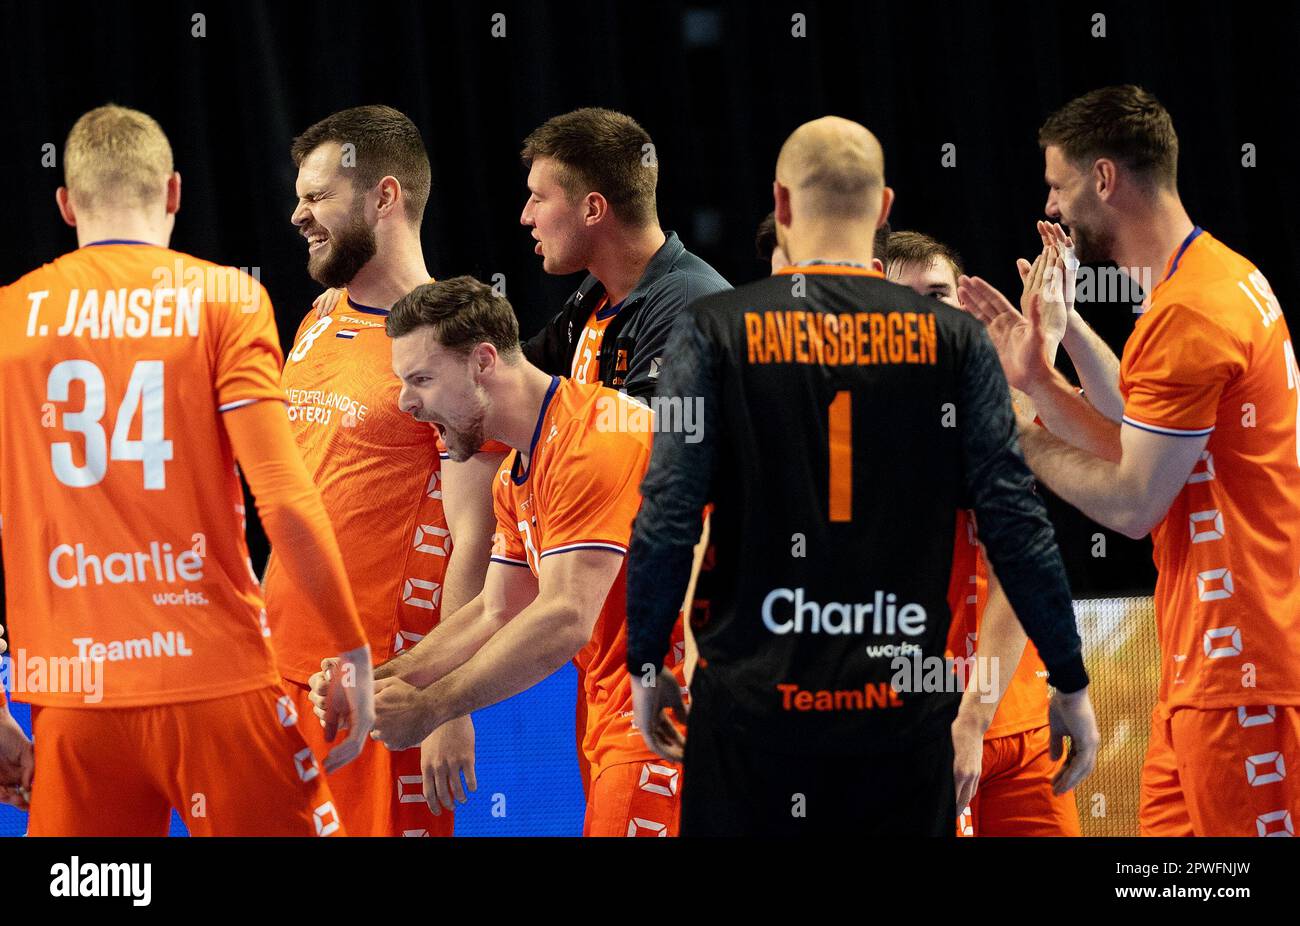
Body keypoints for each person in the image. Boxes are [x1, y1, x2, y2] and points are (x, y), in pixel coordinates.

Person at [625, 115, 1099, 836]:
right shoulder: (956, 340)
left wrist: (647, 661)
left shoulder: (711, 329)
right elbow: (1016, 525)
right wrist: (1068, 676)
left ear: (781, 205)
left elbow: (668, 514)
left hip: (753, 712)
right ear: (883, 210)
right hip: (898, 718)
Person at [0, 104, 371, 835]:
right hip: (217, 683)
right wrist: (350, 649)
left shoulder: (11, 318)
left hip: (76, 703)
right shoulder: (226, 300)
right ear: (173, 192)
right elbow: (286, 501)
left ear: (66, 204)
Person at [958, 85, 1300, 837]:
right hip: (1200, 663)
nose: (1050, 207)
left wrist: (1010, 426)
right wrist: (1042, 370)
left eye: (1057, 184)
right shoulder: (1208, 280)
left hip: (1241, 664)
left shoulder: (1190, 312)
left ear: (1104, 179)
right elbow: (1134, 435)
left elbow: (1132, 502)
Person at [316, 275, 690, 836]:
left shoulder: (596, 438)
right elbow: (496, 609)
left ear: (483, 361)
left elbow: (566, 617)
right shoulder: (516, 476)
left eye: (421, 379)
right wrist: (378, 680)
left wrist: (432, 707)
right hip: (618, 709)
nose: (405, 403)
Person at [268, 105, 504, 836]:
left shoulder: (456, 339)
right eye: (300, 197)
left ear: (384, 197)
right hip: (282, 679)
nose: (298, 216)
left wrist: (446, 702)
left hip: (381, 694)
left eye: (317, 198)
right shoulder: (316, 315)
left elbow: (478, 538)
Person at [887, 229, 1081, 837]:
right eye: (906, 299)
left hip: (1014, 721)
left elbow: (1118, 448)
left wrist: (1053, 337)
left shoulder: (1003, 399)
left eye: (939, 295)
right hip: (920, 728)